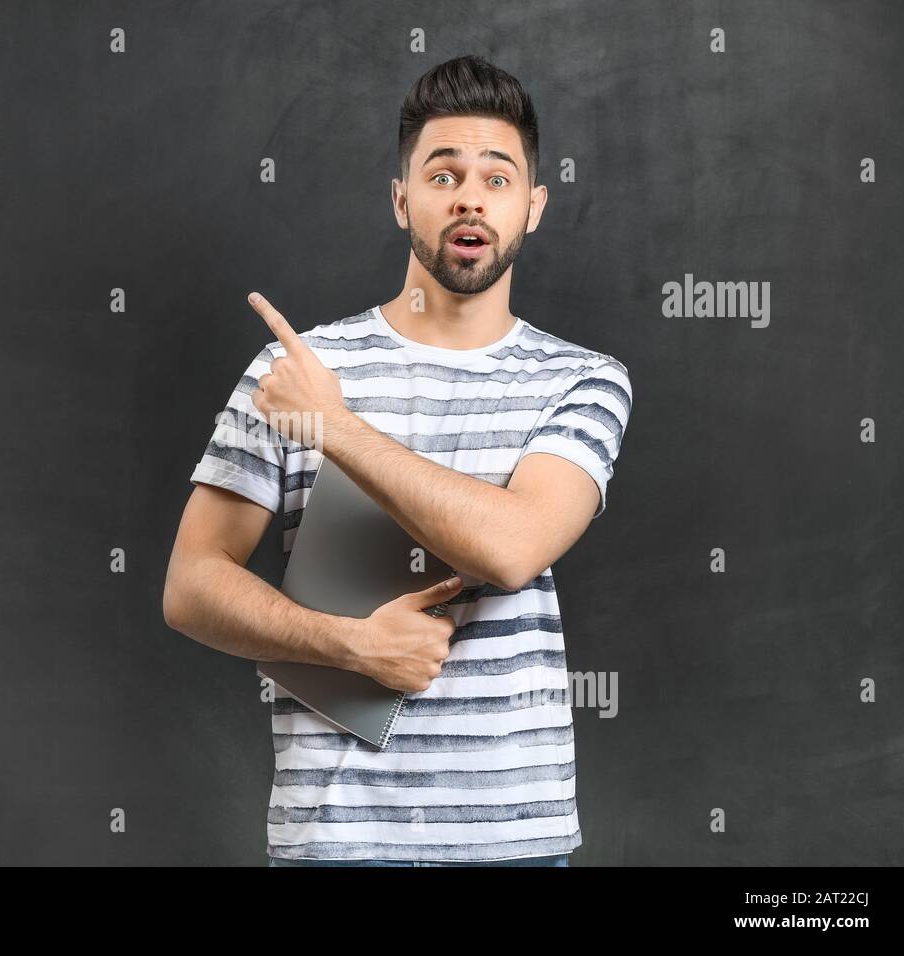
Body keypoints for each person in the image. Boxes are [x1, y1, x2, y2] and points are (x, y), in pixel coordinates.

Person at [163, 55, 632, 867]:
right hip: (335, 840)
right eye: (442, 173)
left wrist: (335, 427)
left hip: (511, 840)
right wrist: (347, 646)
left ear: (534, 207)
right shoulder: (293, 371)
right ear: (400, 197)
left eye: (498, 176)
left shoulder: (583, 380)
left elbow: (514, 547)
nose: (469, 197)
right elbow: (191, 586)